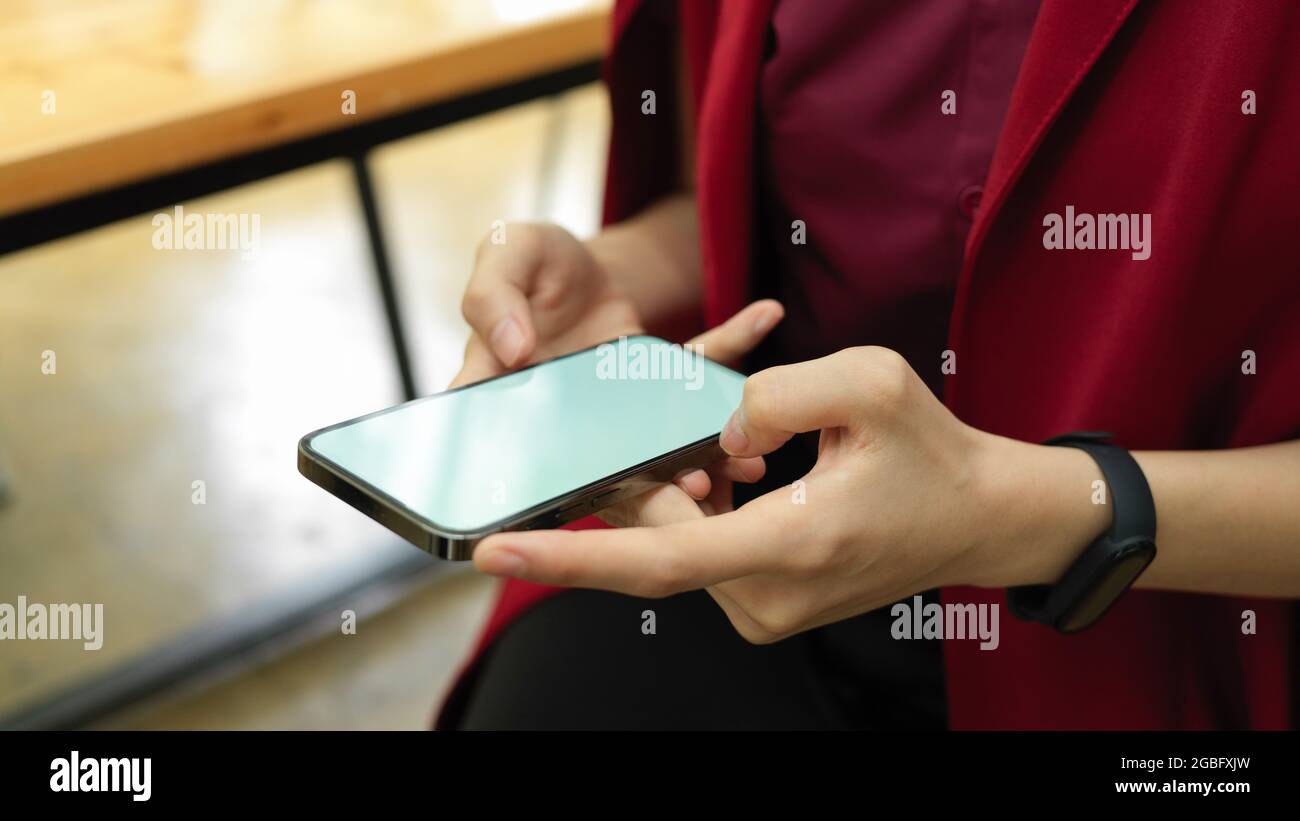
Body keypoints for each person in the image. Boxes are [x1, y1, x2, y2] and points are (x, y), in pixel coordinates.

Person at [436, 0, 1300, 730]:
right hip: (749, 517)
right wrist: (618, 270)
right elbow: (734, 202)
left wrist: (1022, 510)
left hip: (1166, 606)